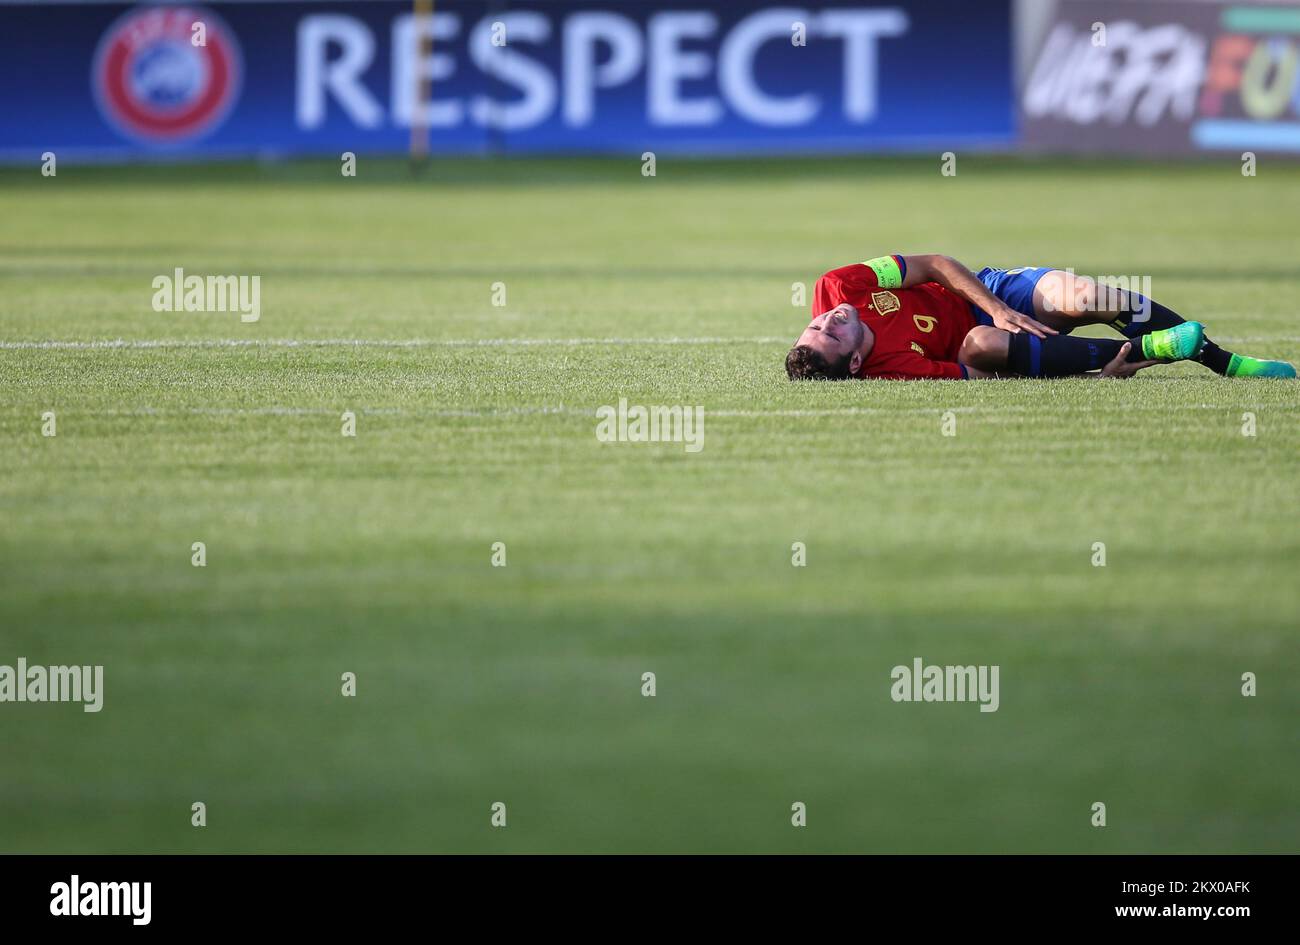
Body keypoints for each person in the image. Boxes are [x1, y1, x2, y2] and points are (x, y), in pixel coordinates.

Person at [785, 254, 1296, 380]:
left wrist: (999, 307)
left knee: (1086, 295)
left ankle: (1221, 360)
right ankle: (1150, 351)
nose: (829, 318)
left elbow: (937, 264)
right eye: (833, 332)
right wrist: (1093, 373)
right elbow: (979, 373)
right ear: (854, 363)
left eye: (816, 323)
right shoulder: (891, 367)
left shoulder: (838, 285)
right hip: (985, 333)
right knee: (981, 345)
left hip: (991, 291)